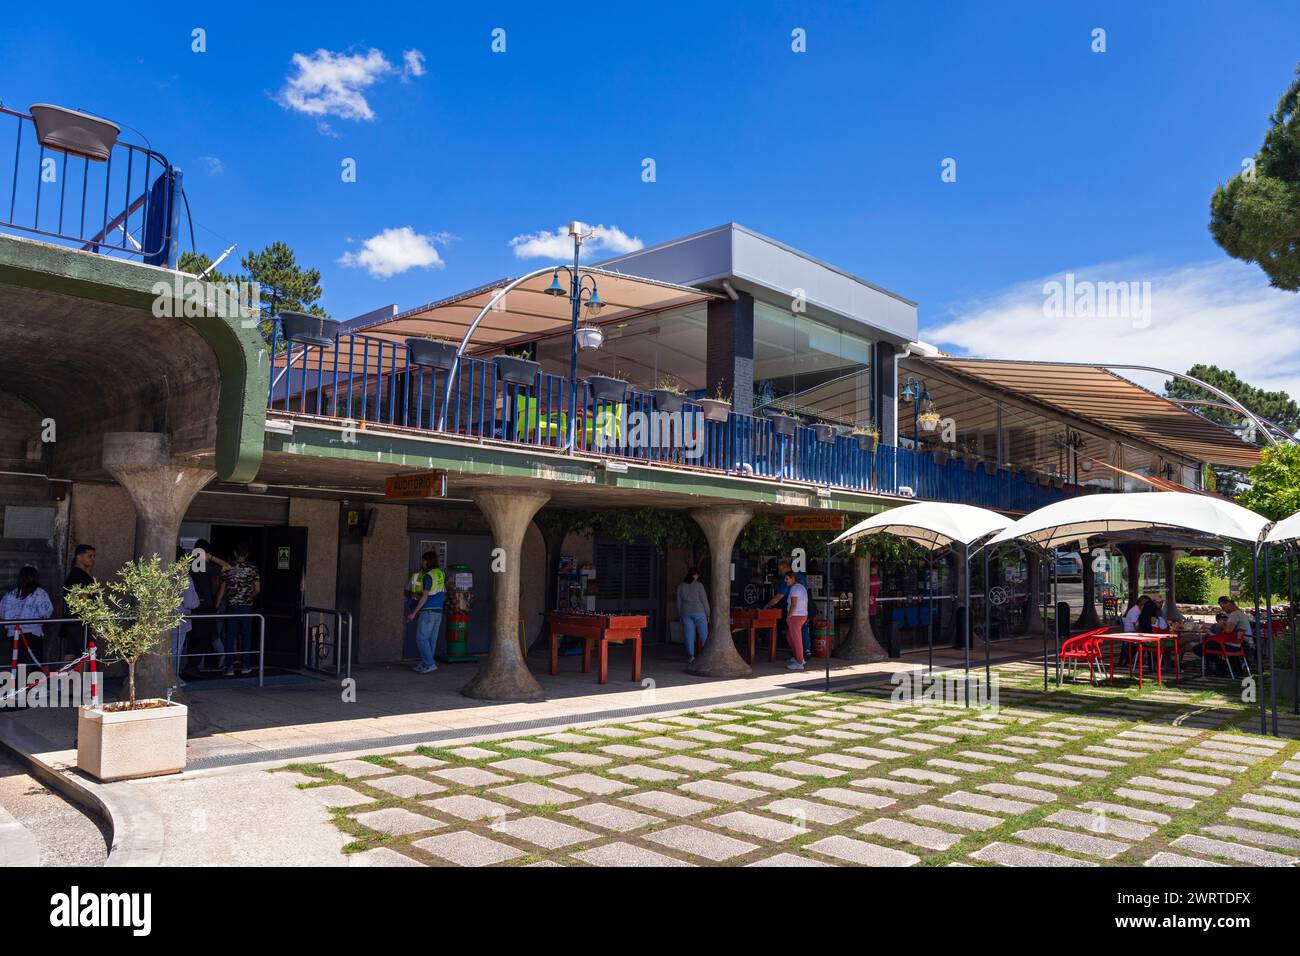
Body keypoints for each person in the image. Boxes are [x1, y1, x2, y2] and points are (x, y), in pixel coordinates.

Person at [215, 543, 260, 676]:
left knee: (230, 637)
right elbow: (257, 589)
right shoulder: (253, 569)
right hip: (246, 607)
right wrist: (249, 598)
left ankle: (229, 667)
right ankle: (246, 666)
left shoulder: (227, 568)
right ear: (247, 554)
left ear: (235, 553)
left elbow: (222, 589)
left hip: (231, 607)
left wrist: (216, 606)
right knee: (246, 636)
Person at [1, 567, 55, 666]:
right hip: (33, 632)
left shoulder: (10, 593)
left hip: (13, 633)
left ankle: (19, 681)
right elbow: (46, 611)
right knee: (35, 662)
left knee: (18, 662)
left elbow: (2, 613)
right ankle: (36, 681)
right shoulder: (39, 593)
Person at [407, 550, 445, 674]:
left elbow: (425, 596)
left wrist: (414, 613)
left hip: (428, 611)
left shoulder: (428, 576)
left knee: (421, 638)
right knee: (431, 639)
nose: (422, 563)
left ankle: (429, 663)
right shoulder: (440, 573)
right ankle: (426, 663)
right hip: (438, 611)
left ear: (427, 561)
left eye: (423, 560)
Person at [766, 558, 812, 657]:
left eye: (780, 569)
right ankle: (806, 651)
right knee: (800, 631)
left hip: (795, 612)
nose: (779, 572)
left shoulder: (788, 580)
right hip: (804, 610)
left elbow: (779, 597)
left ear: (786, 568)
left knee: (794, 636)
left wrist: (766, 606)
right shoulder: (801, 577)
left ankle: (799, 659)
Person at [59, 543, 96, 661]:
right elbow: (83, 598)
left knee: (70, 653)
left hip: (72, 621)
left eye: (93, 556)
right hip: (81, 622)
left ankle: (64, 679)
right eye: (89, 556)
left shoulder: (76, 574)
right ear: (79, 557)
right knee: (85, 655)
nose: (92, 559)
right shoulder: (79, 576)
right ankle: (80, 680)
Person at [676, 567, 709, 663]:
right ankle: (705, 655)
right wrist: (708, 613)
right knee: (704, 634)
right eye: (697, 575)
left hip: (685, 612)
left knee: (689, 635)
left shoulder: (681, 586)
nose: (698, 577)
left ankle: (691, 655)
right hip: (699, 611)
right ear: (694, 575)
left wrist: (680, 614)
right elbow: (704, 600)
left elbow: (678, 602)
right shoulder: (699, 585)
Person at [782, 570, 808, 672]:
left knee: (796, 640)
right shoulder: (801, 587)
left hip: (795, 616)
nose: (785, 581)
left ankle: (800, 662)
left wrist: (789, 616)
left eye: (787, 578)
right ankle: (799, 657)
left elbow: (793, 604)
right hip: (802, 615)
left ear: (792, 578)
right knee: (790, 637)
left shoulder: (794, 589)